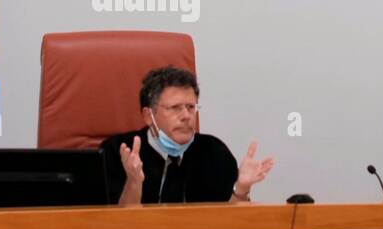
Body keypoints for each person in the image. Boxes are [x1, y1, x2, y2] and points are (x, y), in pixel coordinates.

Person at [100, 66, 274, 205]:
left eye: (191, 107)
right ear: (148, 116)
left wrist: (241, 189)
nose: (186, 116)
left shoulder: (215, 152)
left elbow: (229, 226)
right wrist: (134, 182)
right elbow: (114, 228)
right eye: (175, 108)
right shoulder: (117, 152)